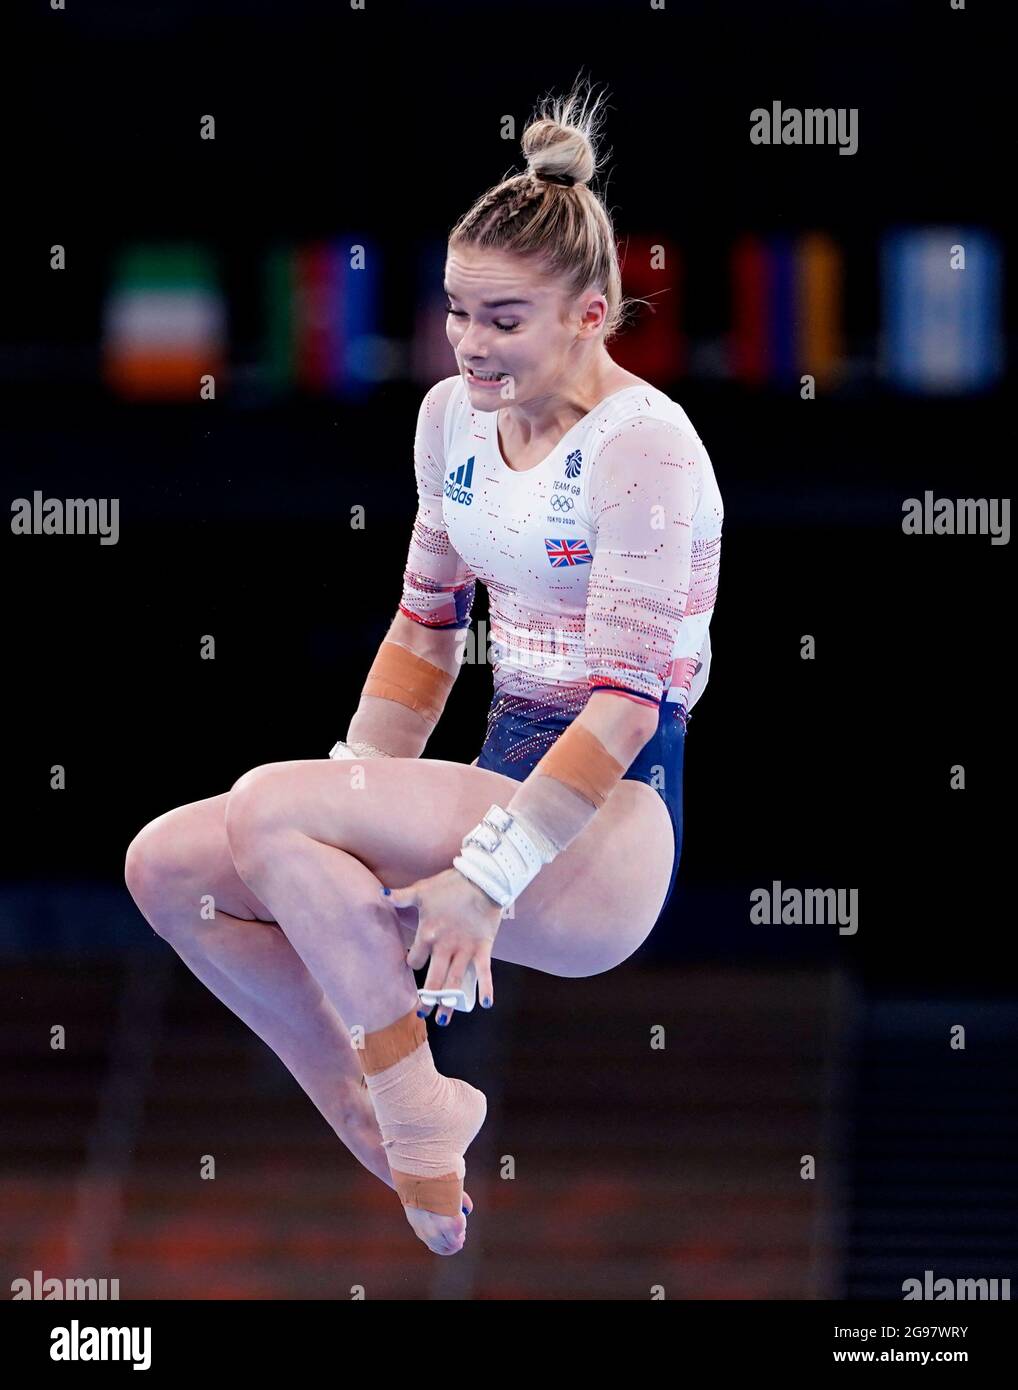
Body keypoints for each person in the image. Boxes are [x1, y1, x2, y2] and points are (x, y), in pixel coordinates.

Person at [124, 78, 723, 1258]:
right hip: (495, 787)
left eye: (504, 319)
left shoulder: (645, 449)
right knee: (172, 866)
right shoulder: (449, 416)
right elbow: (422, 632)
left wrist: (488, 878)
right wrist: (346, 802)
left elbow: (619, 709)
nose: (470, 343)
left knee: (268, 808)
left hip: (606, 830)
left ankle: (413, 1107)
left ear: (590, 314)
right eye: (457, 313)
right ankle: (376, 1109)